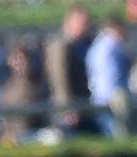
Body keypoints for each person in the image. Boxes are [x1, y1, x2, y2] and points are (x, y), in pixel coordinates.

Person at [45, 3, 93, 132]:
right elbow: (59, 78)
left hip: (83, 103)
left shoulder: (84, 43)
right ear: (71, 22)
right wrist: (67, 107)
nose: (87, 27)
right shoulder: (60, 46)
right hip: (68, 108)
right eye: (83, 23)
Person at [86, 15, 129, 134]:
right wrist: (114, 96)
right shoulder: (109, 46)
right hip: (109, 99)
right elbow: (110, 76)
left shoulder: (99, 46)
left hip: (102, 97)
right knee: (116, 134)